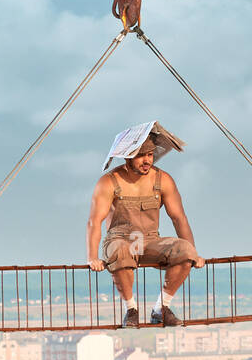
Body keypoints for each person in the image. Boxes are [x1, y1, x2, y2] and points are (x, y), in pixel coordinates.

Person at [86, 123, 204, 327]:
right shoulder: (108, 182)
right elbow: (94, 221)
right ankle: (131, 310)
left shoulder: (163, 180)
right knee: (120, 251)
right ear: (128, 156)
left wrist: (193, 252)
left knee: (185, 251)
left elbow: (179, 218)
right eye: (141, 155)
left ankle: (161, 308)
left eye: (149, 154)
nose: (147, 160)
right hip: (119, 240)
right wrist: (92, 257)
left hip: (150, 240)